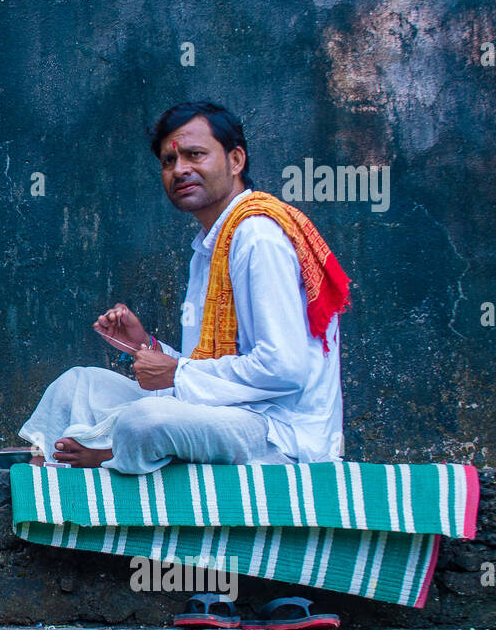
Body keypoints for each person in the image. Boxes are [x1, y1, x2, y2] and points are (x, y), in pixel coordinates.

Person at [20, 101, 350, 473]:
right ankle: (53, 483)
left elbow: (284, 368)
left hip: (278, 436)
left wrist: (176, 372)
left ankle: (114, 455)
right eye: (168, 162)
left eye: (196, 155)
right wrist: (145, 347)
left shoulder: (257, 237)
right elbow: (205, 368)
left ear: (236, 160)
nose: (180, 170)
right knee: (77, 386)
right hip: (222, 417)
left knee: (146, 420)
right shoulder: (210, 246)